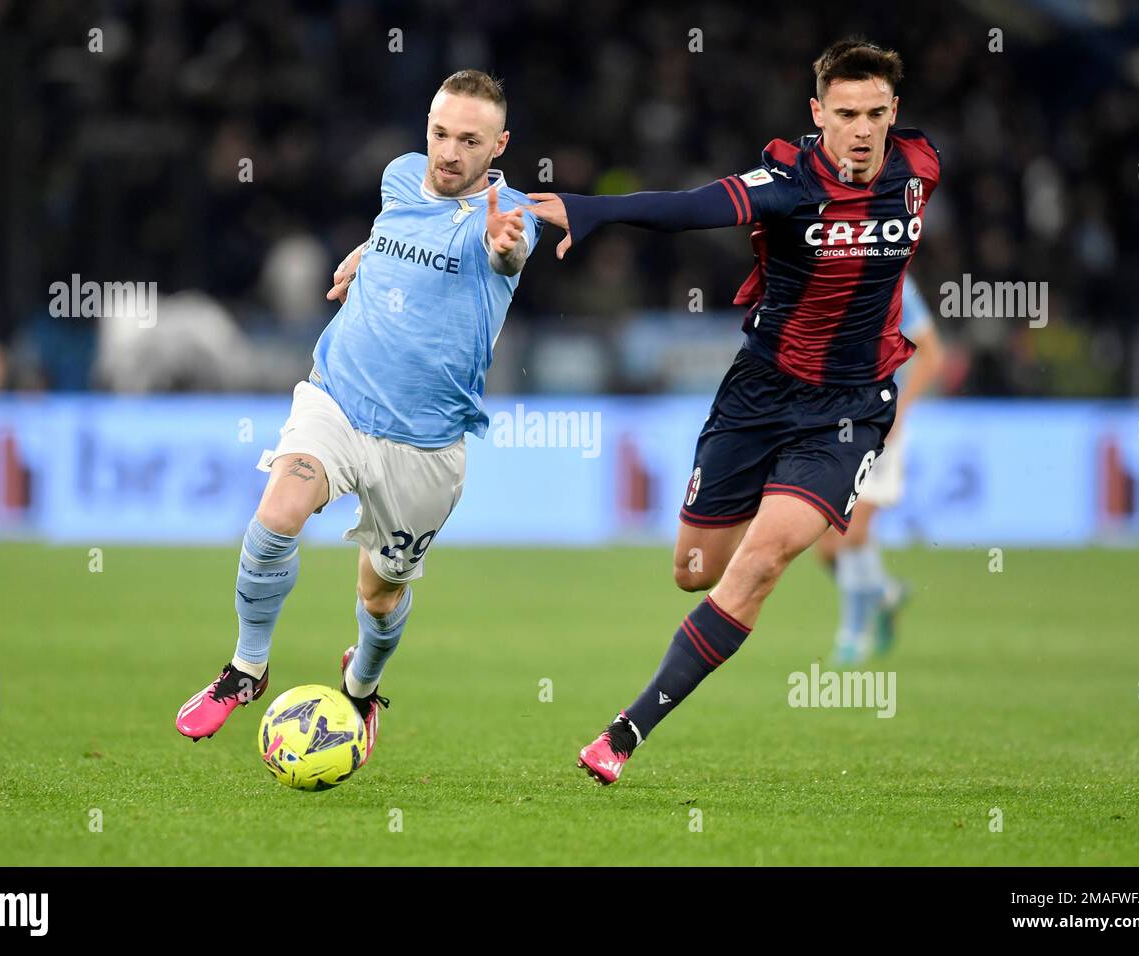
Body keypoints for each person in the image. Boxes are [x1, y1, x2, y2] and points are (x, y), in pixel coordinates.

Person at [528, 37, 941, 784]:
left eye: (875, 114)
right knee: (694, 571)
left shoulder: (918, 168)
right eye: (844, 114)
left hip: (849, 409)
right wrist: (592, 211)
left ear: (894, 114)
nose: (860, 130)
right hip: (758, 394)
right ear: (818, 114)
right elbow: (693, 208)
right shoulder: (789, 179)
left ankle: (622, 735)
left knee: (759, 566)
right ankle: (773, 499)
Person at [175, 70, 540, 772]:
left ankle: (362, 687)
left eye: (470, 140)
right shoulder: (400, 177)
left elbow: (506, 250)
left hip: (425, 441)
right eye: (440, 132)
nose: (450, 151)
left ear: (500, 145)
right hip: (339, 394)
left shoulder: (508, 210)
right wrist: (368, 257)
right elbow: (403, 236)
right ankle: (247, 668)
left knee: (379, 593)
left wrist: (503, 246)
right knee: (279, 512)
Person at [815, 272, 943, 664]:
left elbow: (932, 354)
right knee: (826, 550)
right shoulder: (825, 275)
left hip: (878, 423)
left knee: (850, 533)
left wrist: (900, 411)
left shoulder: (894, 281)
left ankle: (852, 639)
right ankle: (884, 594)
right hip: (836, 427)